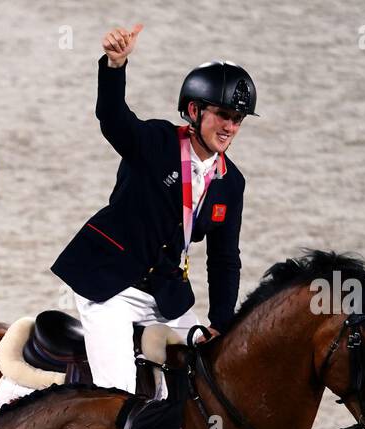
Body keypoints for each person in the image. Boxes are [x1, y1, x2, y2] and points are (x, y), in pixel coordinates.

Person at [51, 23, 257, 397]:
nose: (230, 127)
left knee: (210, 384)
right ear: (194, 110)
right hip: (110, 286)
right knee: (118, 396)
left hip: (165, 296)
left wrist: (222, 323)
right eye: (223, 114)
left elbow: (225, 258)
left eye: (238, 119)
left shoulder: (231, 183)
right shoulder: (156, 142)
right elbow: (113, 119)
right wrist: (116, 65)